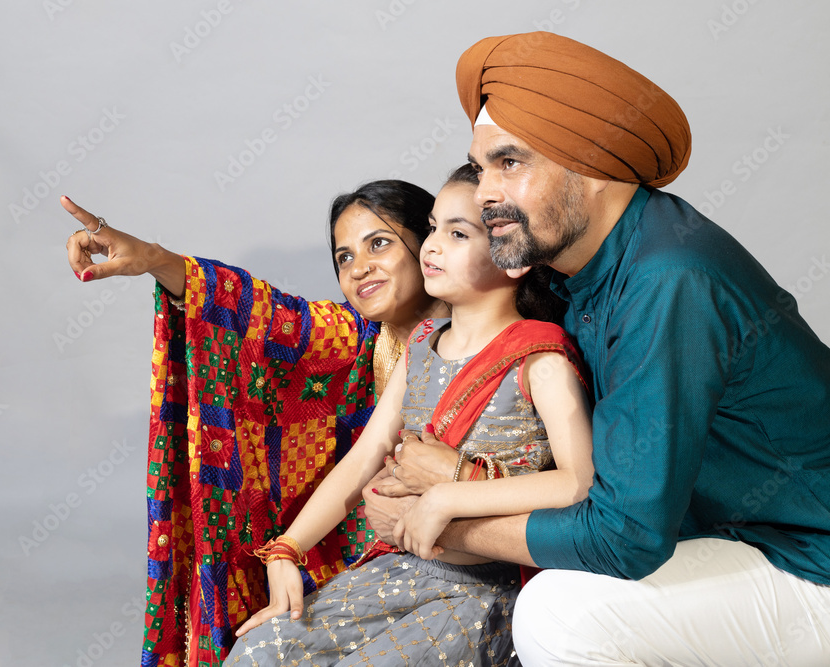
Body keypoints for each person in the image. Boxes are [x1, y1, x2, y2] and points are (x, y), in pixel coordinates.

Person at [362, 32, 830, 665]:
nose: (484, 193)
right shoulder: (560, 272)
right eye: (479, 169)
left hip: (808, 559)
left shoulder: (669, 279)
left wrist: (441, 519)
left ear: (591, 165)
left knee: (562, 612)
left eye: (510, 163)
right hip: (729, 538)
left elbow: (626, 536)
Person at [62, 181, 448, 666]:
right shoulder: (354, 338)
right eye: (344, 256)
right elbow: (254, 314)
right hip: (359, 559)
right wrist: (156, 260)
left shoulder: (490, 339)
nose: (359, 268)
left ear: (430, 242)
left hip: (461, 563)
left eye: (379, 243)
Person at [224, 165, 594, 666]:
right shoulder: (421, 347)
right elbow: (363, 459)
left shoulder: (540, 359)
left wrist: (446, 496)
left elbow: (579, 484)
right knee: (257, 652)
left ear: (512, 258)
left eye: (456, 233)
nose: (431, 245)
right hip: (403, 570)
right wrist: (288, 549)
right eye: (434, 227)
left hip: (486, 591)